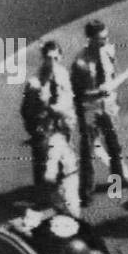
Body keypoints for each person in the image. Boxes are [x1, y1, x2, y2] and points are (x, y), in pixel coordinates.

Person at [21, 40, 80, 216]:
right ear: (43, 58)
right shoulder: (34, 83)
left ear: (60, 57)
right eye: (48, 58)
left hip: (62, 125)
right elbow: (26, 110)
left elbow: (68, 100)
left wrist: (62, 114)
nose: (52, 62)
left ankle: (61, 199)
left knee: (65, 165)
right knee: (43, 167)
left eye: (55, 58)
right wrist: (36, 129)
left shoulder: (62, 74)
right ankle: (44, 201)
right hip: (44, 128)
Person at [70, 19, 125, 207]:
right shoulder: (80, 63)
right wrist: (98, 93)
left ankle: (116, 187)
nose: (105, 41)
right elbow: (77, 94)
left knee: (114, 148)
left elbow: (112, 75)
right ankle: (86, 193)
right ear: (90, 39)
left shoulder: (109, 52)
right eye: (101, 38)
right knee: (88, 152)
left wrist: (113, 100)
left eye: (106, 37)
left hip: (108, 107)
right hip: (90, 110)